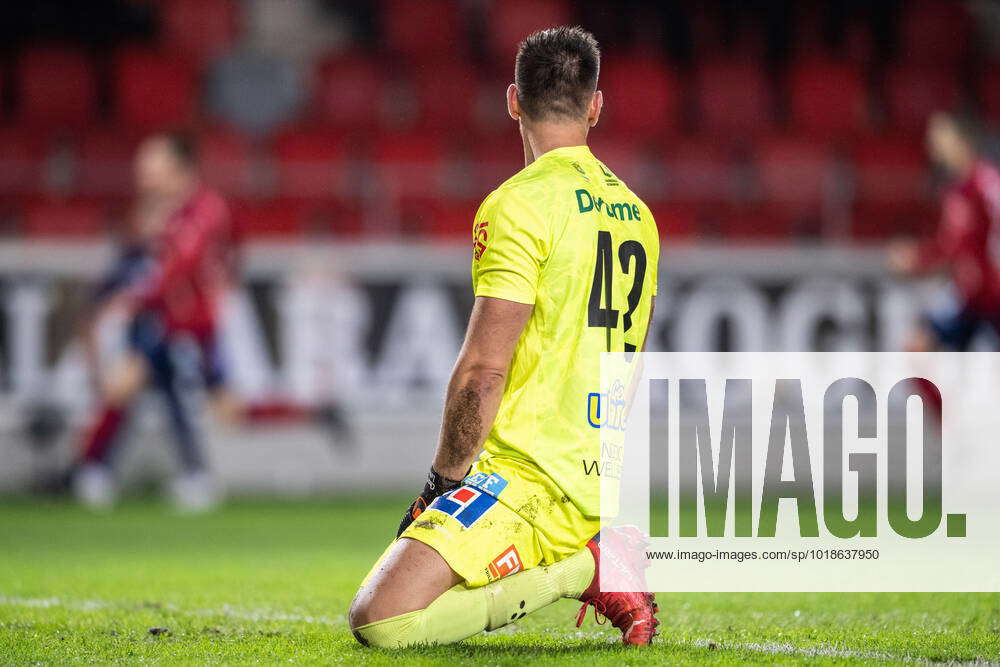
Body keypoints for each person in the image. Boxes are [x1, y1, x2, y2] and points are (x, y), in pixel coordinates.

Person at [349, 27, 661, 648]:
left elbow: (482, 371)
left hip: (526, 475)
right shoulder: (640, 216)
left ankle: (589, 567)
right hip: (594, 476)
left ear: (513, 100)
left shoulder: (518, 205)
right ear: (595, 105)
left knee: (382, 619)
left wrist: (443, 481)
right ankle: (593, 549)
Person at [72, 132, 352, 510]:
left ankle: (100, 473)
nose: (144, 172)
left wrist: (133, 299)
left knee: (206, 404)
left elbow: (178, 267)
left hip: (189, 324)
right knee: (158, 391)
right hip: (172, 319)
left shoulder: (202, 210)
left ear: (178, 167)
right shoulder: (164, 211)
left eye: (152, 163)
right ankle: (110, 473)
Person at [888, 111, 1000, 351]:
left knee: (919, 348)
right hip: (971, 291)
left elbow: (956, 245)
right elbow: (956, 244)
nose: (932, 142)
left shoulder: (982, 185)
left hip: (987, 293)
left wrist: (918, 258)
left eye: (940, 134)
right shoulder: (963, 187)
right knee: (918, 347)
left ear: (961, 140)